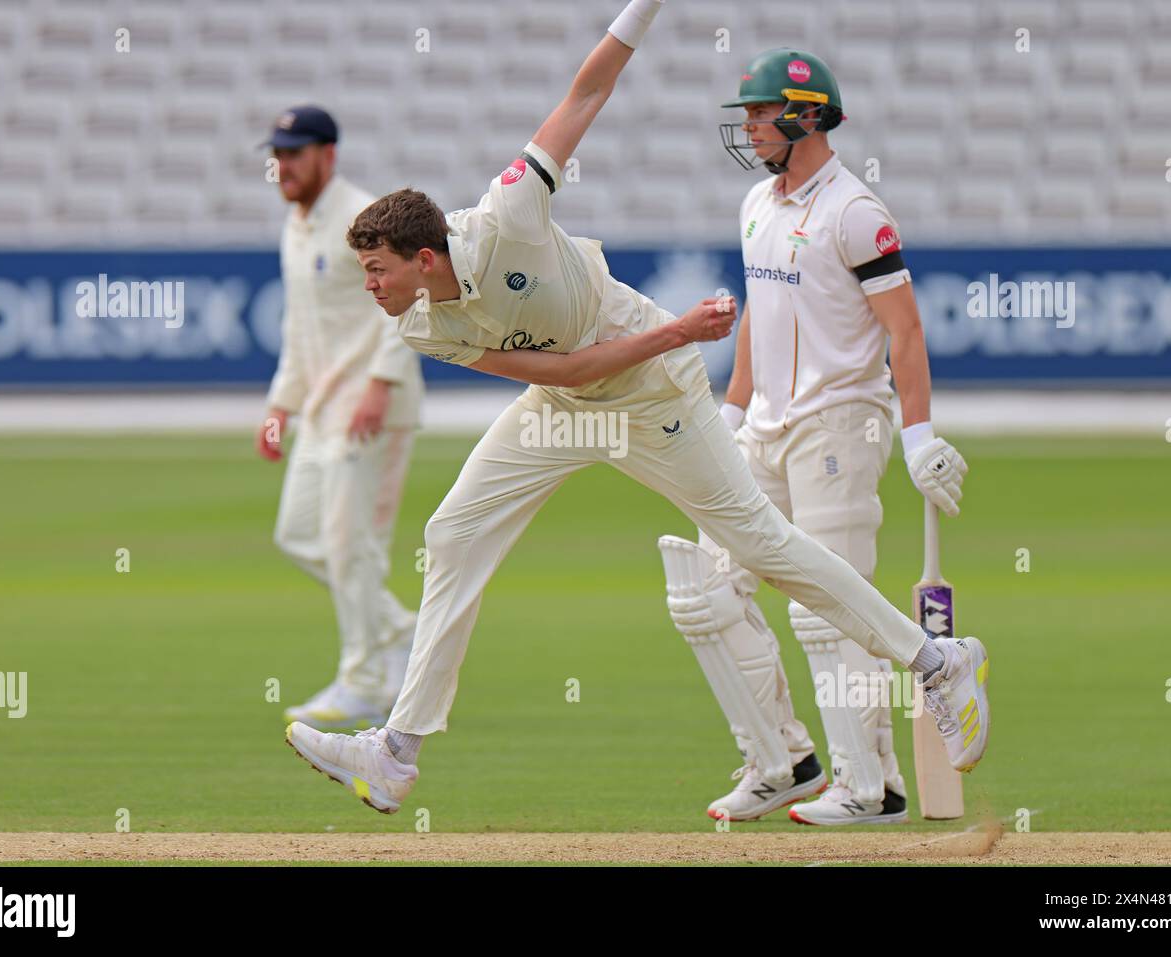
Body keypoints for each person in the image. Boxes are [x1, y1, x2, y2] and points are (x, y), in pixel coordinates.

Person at [283, 1, 989, 815]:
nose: (369, 285)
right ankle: (397, 754)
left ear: (424, 256)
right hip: (569, 396)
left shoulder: (510, 212)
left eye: (376, 269)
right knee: (452, 532)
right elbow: (566, 369)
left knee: (762, 543)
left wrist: (642, 9)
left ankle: (937, 661)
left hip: (654, 391)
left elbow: (586, 93)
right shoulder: (417, 322)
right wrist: (682, 329)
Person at [660, 48, 970, 826]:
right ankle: (782, 760)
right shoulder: (756, 204)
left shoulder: (856, 212)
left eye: (763, 113)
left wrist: (918, 437)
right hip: (764, 428)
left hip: (839, 426)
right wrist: (731, 417)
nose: (751, 127)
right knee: (704, 591)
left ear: (807, 115)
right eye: (748, 114)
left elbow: (905, 330)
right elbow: (759, 326)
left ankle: (873, 786)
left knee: (828, 608)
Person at [256, 105, 424, 729]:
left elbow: (409, 302)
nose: (284, 165)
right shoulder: (295, 227)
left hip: (371, 408)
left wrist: (381, 383)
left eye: (295, 153)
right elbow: (299, 328)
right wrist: (280, 405)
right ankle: (400, 630)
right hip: (321, 410)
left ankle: (363, 683)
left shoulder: (365, 218)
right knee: (299, 534)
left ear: (328, 155)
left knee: (352, 549)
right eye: (278, 154)